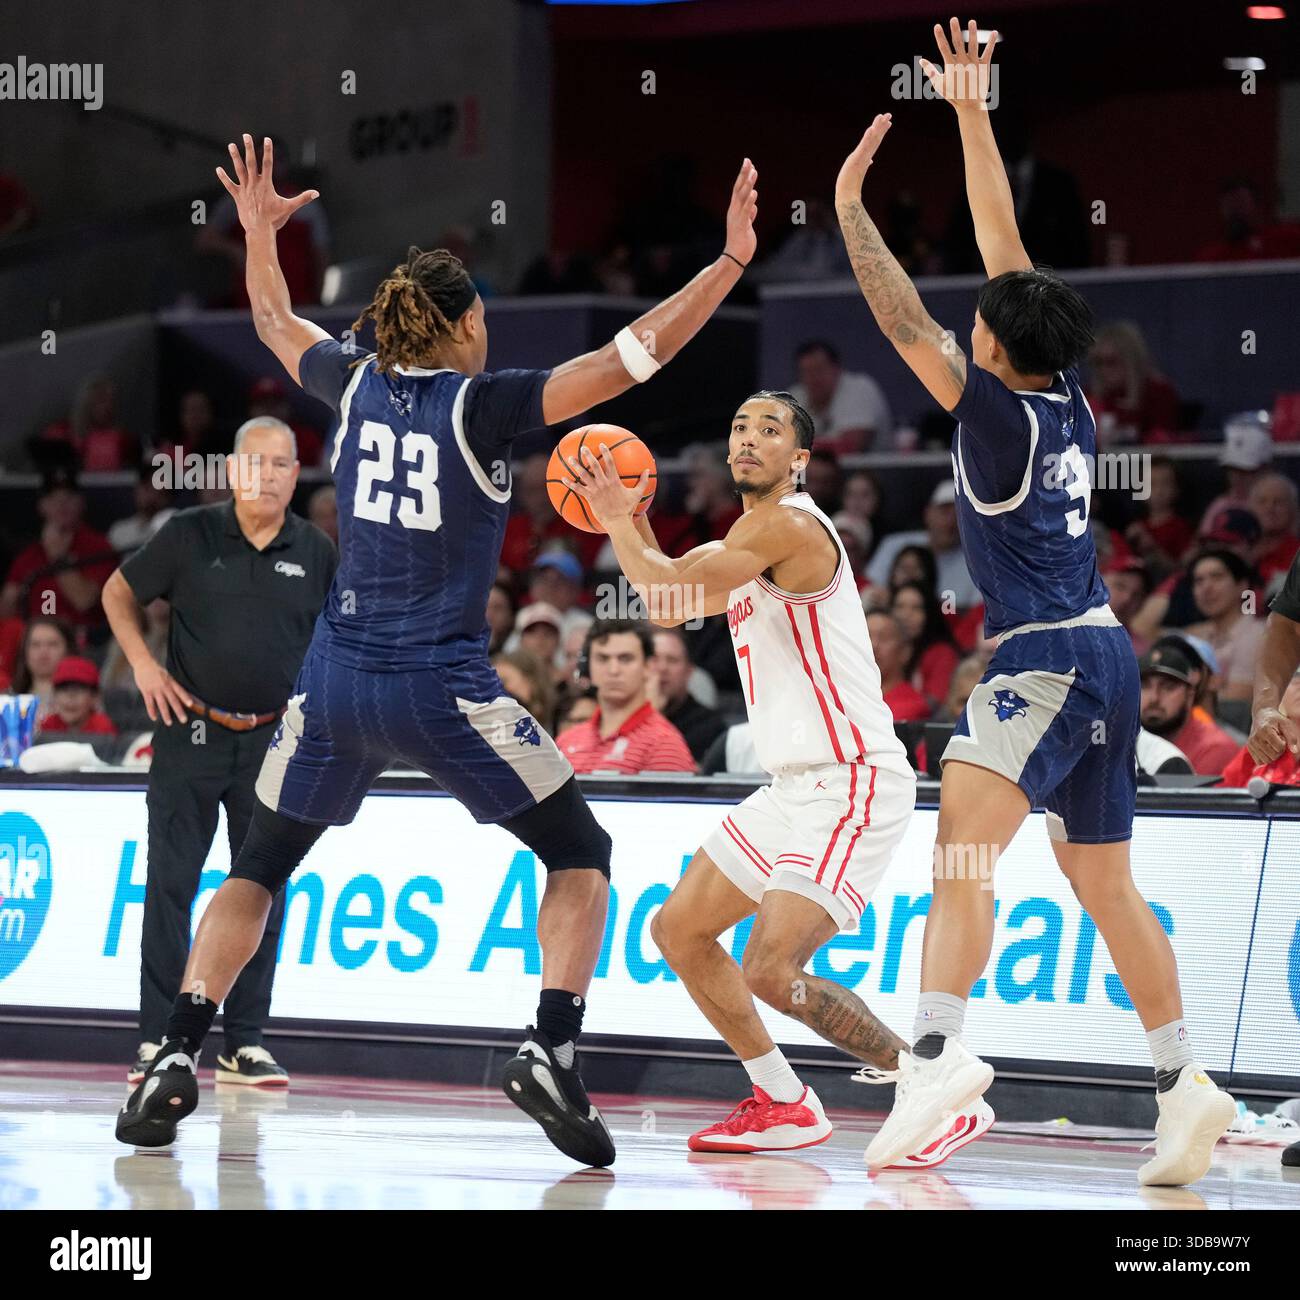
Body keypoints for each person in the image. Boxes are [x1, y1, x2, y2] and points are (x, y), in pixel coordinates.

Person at [116, 133, 760, 1169]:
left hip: (329, 682)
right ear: (465, 325)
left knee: (261, 865)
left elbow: (274, 320)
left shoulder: (352, 381)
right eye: (482, 319)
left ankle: (173, 1053)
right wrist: (725, 267)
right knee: (580, 854)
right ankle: (550, 1045)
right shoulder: (487, 401)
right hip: (439, 684)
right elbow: (629, 356)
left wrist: (257, 234)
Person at [838, 22, 1232, 1183]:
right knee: (1105, 884)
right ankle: (1184, 1083)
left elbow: (901, 314)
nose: (972, 313)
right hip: (1108, 652)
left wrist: (853, 205)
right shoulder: (1058, 389)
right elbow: (1003, 254)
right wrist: (968, 111)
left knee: (961, 853)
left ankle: (936, 1057)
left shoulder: (996, 409)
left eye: (982, 320)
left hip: (1044, 661)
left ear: (994, 350)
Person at [562, 391, 989, 1164]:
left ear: (799, 458)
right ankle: (784, 1101)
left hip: (852, 777)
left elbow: (664, 596)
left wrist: (615, 514)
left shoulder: (789, 524)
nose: (749, 438)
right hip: (794, 787)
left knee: (771, 966)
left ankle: (931, 1076)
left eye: (770, 429)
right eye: (738, 426)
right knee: (679, 930)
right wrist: (630, 514)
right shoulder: (747, 533)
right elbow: (667, 586)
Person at [103, 415, 337, 1090]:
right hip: (190, 734)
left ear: (298, 474)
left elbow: (342, 633)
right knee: (171, 887)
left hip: (273, 739)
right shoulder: (189, 533)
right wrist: (145, 666)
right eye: (255, 463)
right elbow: (119, 592)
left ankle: (245, 1043)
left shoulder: (316, 549)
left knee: (261, 890)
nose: (267, 476)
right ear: (232, 471)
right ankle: (156, 1039)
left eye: (282, 465)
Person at [555, 620, 695, 775]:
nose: (613, 670)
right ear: (589, 667)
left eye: (625, 658)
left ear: (648, 666)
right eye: (603, 658)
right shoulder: (567, 740)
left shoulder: (665, 745)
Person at [0, 471, 117, 632]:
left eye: (69, 497)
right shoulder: (30, 554)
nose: (61, 504)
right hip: (36, 640)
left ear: (82, 503)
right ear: (41, 506)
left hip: (84, 640)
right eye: (53, 498)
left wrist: (58, 557)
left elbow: (84, 601)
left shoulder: (99, 546)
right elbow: (6, 610)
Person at [865, 480, 980, 609]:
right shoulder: (894, 545)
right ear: (928, 513)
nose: (951, 521)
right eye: (945, 512)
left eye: (959, 514)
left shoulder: (977, 561)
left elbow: (977, 612)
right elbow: (870, 586)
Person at [1139, 639, 1238, 776]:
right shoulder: (1120, 741)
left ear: (1190, 696)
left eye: (1168, 687)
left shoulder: (1214, 748)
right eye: (1145, 686)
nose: (1154, 698)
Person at [1184, 549, 1264, 702]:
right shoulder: (1194, 636)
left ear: (1242, 585)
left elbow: (1235, 705)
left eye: (1217, 577)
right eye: (1199, 581)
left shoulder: (1258, 634)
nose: (1206, 588)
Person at [789, 339, 892, 453]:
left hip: (870, 470)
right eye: (806, 372)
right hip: (810, 468)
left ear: (836, 369)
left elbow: (852, 444)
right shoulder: (796, 395)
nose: (813, 378)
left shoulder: (859, 388)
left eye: (819, 369)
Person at [1086, 322, 1180, 443]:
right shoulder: (1089, 396)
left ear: (1130, 360)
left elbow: (1162, 440)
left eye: (1111, 361)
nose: (1104, 370)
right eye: (1098, 362)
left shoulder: (1157, 392)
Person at [650, 626, 727, 763]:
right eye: (654, 659)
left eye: (672, 660)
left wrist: (651, 716)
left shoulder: (709, 726)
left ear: (689, 671)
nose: (662, 668)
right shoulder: (621, 715)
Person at [892, 580, 961, 709]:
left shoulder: (942, 653)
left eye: (916, 608)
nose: (906, 615)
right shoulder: (883, 649)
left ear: (929, 613)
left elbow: (935, 703)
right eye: (900, 606)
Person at [867, 610, 931, 722]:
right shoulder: (843, 695)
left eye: (884, 638)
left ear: (905, 652)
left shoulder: (912, 706)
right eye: (866, 637)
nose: (873, 646)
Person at [10, 615, 73, 727]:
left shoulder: (82, 696)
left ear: (68, 650)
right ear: (24, 652)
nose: (43, 652)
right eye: (35, 645)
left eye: (52, 644)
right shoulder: (8, 698)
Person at [37, 656, 117, 736]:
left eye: (79, 690)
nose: (70, 697)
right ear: (54, 696)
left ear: (94, 697)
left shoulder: (103, 728)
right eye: (64, 689)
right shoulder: (49, 725)